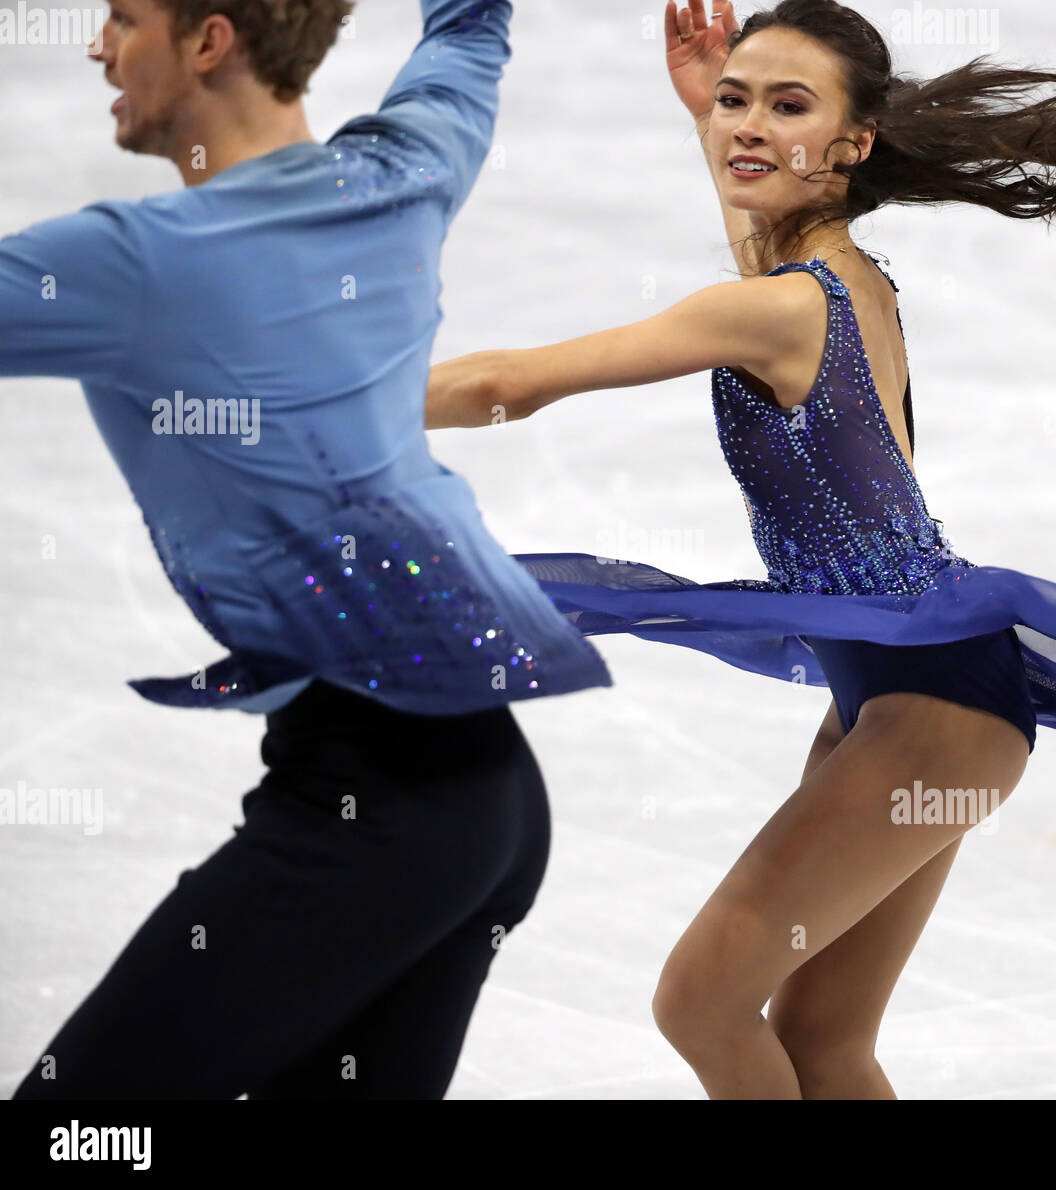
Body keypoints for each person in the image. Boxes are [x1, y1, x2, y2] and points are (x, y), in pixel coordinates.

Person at [421, 0, 1056, 1098]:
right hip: (922, 697)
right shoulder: (838, 276)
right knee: (822, 1037)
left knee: (700, 998)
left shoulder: (779, 309)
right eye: (737, 99)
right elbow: (762, 251)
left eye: (787, 106)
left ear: (852, 144)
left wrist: (335, 409)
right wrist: (707, 119)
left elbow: (505, 385)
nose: (747, 125)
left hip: (931, 711)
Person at [3, 0, 612, 1099]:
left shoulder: (134, 263)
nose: (96, 44)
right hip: (486, 809)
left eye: (125, 18)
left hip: (373, 822)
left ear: (209, 41)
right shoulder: (402, 172)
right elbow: (468, 30)